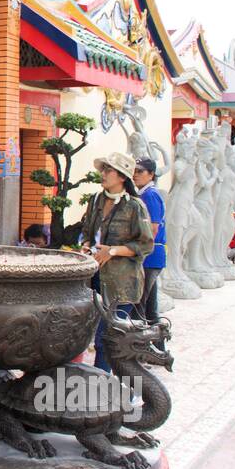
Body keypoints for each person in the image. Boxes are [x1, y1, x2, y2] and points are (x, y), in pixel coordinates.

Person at [79, 152, 155, 372]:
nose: (103, 174)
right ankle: (96, 381)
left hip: (121, 282)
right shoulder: (95, 200)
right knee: (88, 333)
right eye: (102, 169)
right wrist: (85, 245)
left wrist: (112, 251)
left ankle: (105, 384)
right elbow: (87, 232)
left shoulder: (134, 206)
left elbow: (145, 244)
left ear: (122, 176)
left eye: (108, 170)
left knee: (110, 336)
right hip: (94, 276)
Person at [133, 156, 165, 321]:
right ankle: (158, 344)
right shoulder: (143, 194)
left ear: (151, 174)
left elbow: (153, 227)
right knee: (150, 307)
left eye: (140, 171)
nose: (135, 174)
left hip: (150, 256)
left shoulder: (150, 195)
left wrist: (139, 252)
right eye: (134, 171)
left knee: (139, 304)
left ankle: (141, 342)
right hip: (150, 256)